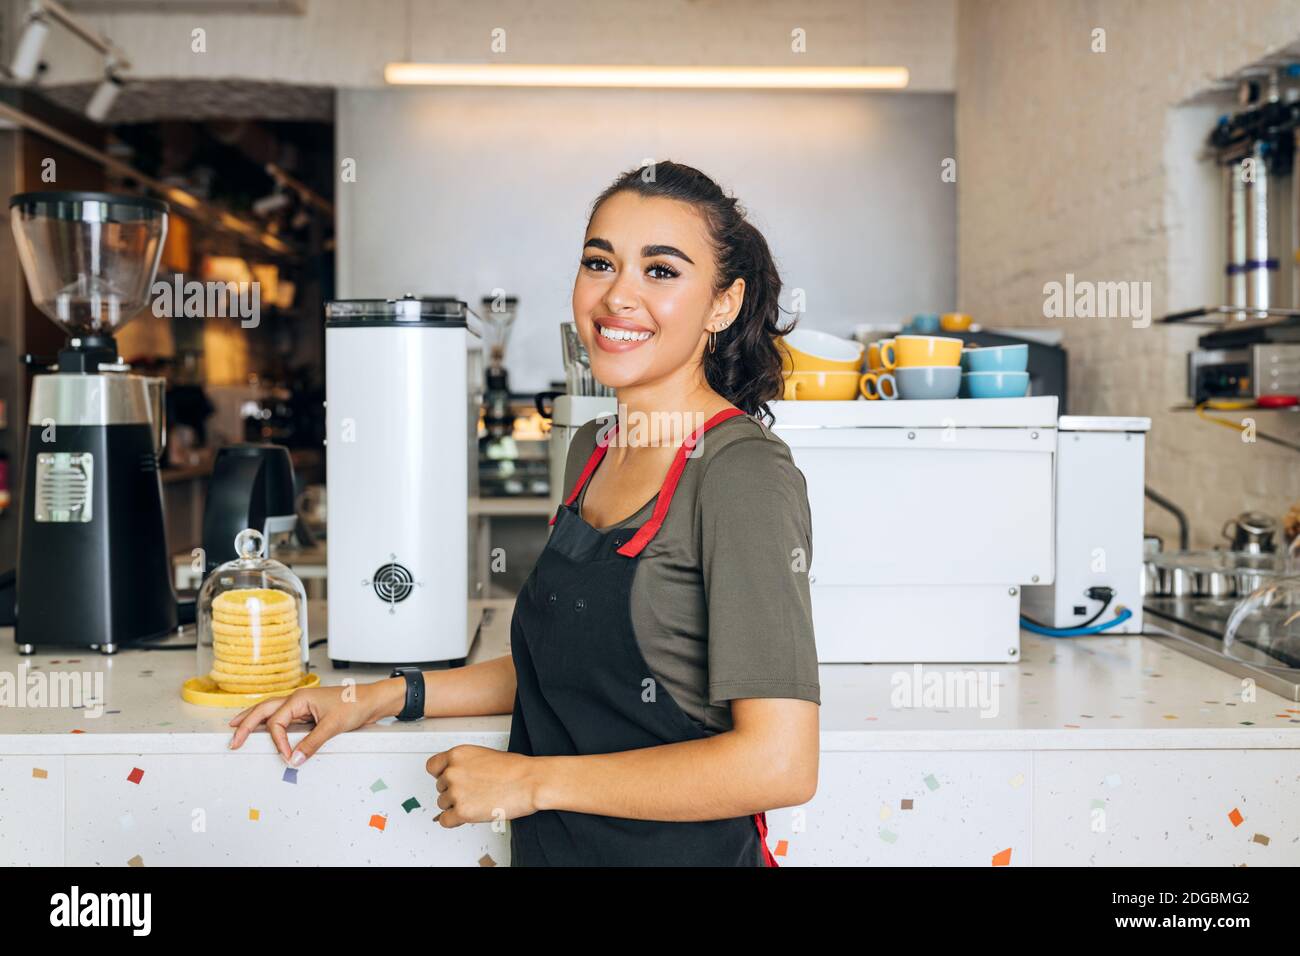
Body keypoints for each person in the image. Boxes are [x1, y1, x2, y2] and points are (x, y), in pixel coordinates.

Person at [229, 161, 820, 866]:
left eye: (661, 271)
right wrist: (371, 697)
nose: (617, 296)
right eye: (599, 262)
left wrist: (532, 781)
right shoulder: (594, 452)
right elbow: (560, 662)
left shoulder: (741, 474)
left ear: (723, 305)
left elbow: (780, 764)